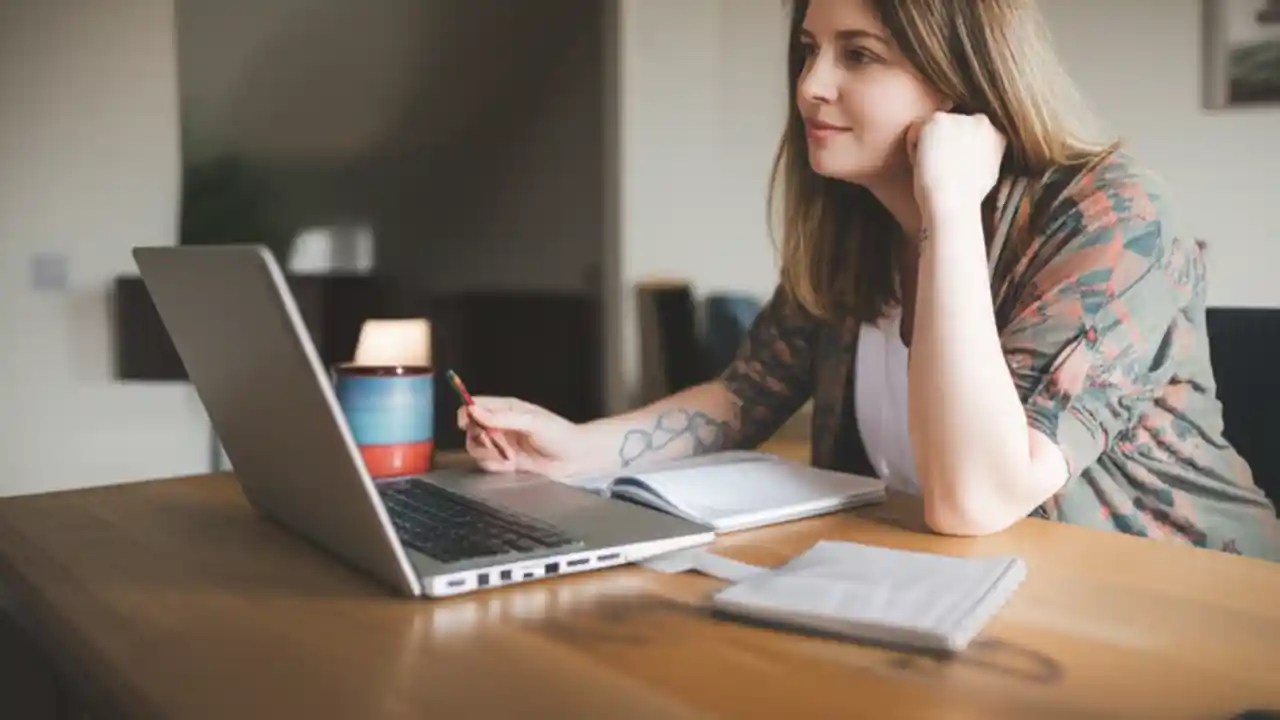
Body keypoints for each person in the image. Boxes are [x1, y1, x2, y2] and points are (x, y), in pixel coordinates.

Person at [459, 0, 1280, 560]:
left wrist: (950, 208)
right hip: (975, 601)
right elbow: (743, 395)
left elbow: (978, 497)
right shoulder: (856, 226)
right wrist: (576, 449)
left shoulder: (1110, 213)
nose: (811, 84)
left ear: (962, 77)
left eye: (859, 54)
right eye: (809, 49)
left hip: (1184, 612)